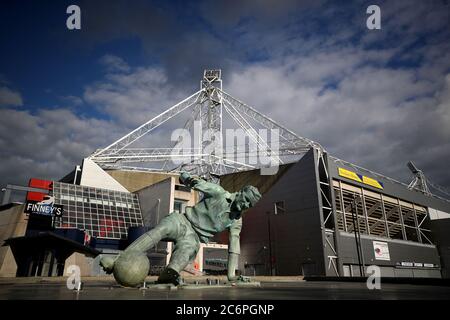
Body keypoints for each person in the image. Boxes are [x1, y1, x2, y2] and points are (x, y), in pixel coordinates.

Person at [100, 171, 261, 285]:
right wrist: (186, 177)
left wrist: (231, 276)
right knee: (159, 231)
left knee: (181, 259)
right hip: (182, 221)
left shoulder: (236, 221)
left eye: (248, 205)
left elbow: (234, 249)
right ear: (240, 192)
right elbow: (198, 184)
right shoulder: (219, 192)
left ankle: (167, 278)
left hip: (193, 238)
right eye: (246, 200)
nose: (245, 205)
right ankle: (117, 260)